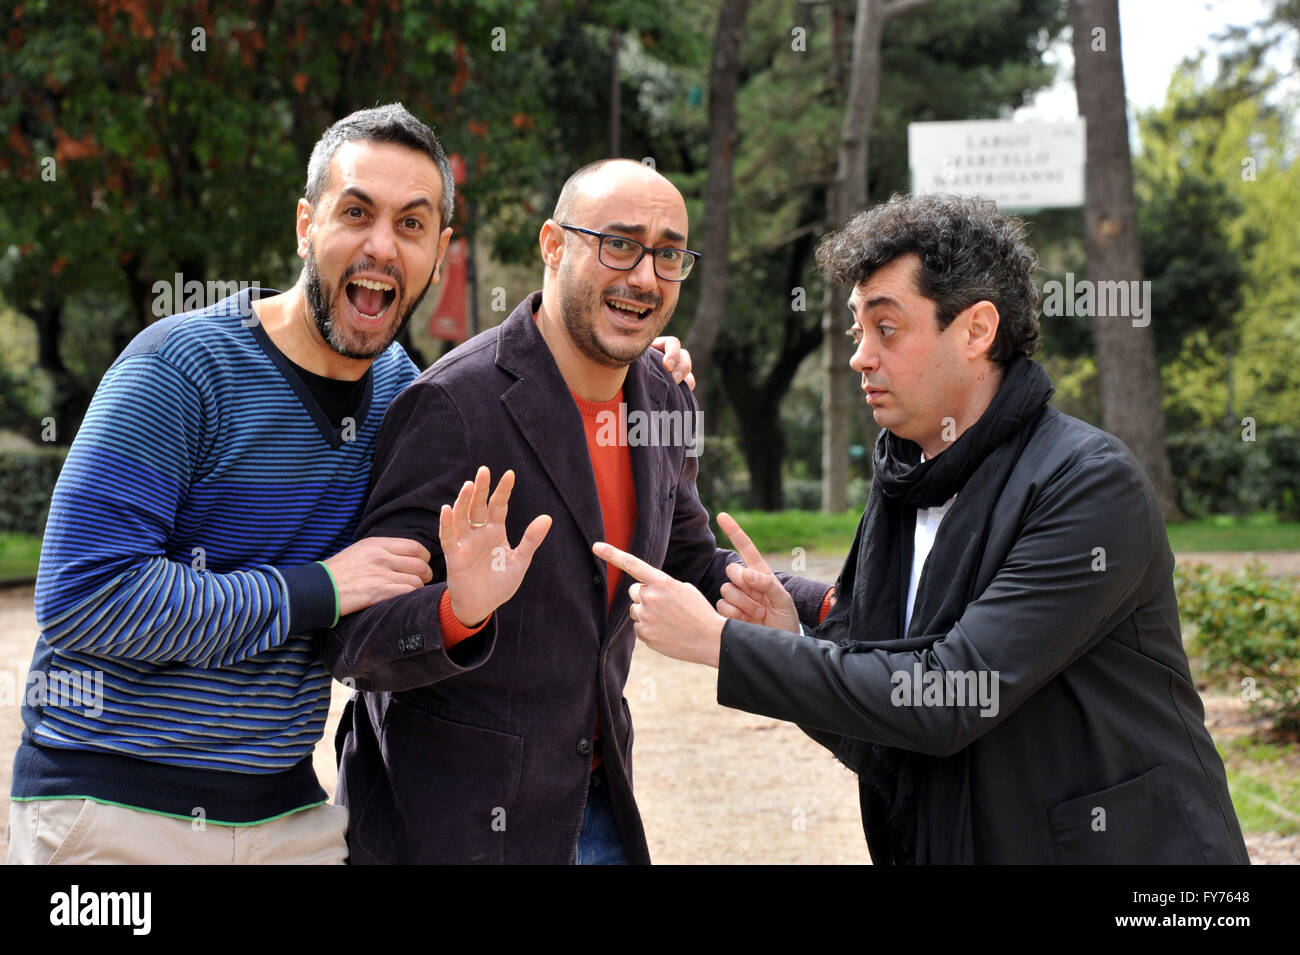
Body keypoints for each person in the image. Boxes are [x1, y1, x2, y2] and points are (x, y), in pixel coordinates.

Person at [6, 106, 694, 865]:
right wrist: (319, 588)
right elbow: (82, 599)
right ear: (306, 225)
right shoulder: (180, 367)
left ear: (439, 252)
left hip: (281, 813)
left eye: (411, 224)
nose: (381, 245)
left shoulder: (406, 396)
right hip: (114, 810)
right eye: (356, 212)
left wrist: (627, 353)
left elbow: (518, 376)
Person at [597, 193, 1250, 865]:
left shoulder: (1089, 484)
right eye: (857, 329)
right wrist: (790, 635)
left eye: (887, 328)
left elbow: (949, 695)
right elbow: (880, 715)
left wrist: (725, 645)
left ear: (976, 330)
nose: (860, 356)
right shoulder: (906, 478)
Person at [324, 158, 834, 865]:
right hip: (445, 826)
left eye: (668, 254)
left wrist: (826, 602)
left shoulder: (666, 396)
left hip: (598, 808)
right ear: (553, 246)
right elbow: (358, 645)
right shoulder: (451, 405)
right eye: (619, 244)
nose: (645, 276)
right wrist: (459, 610)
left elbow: (682, 562)